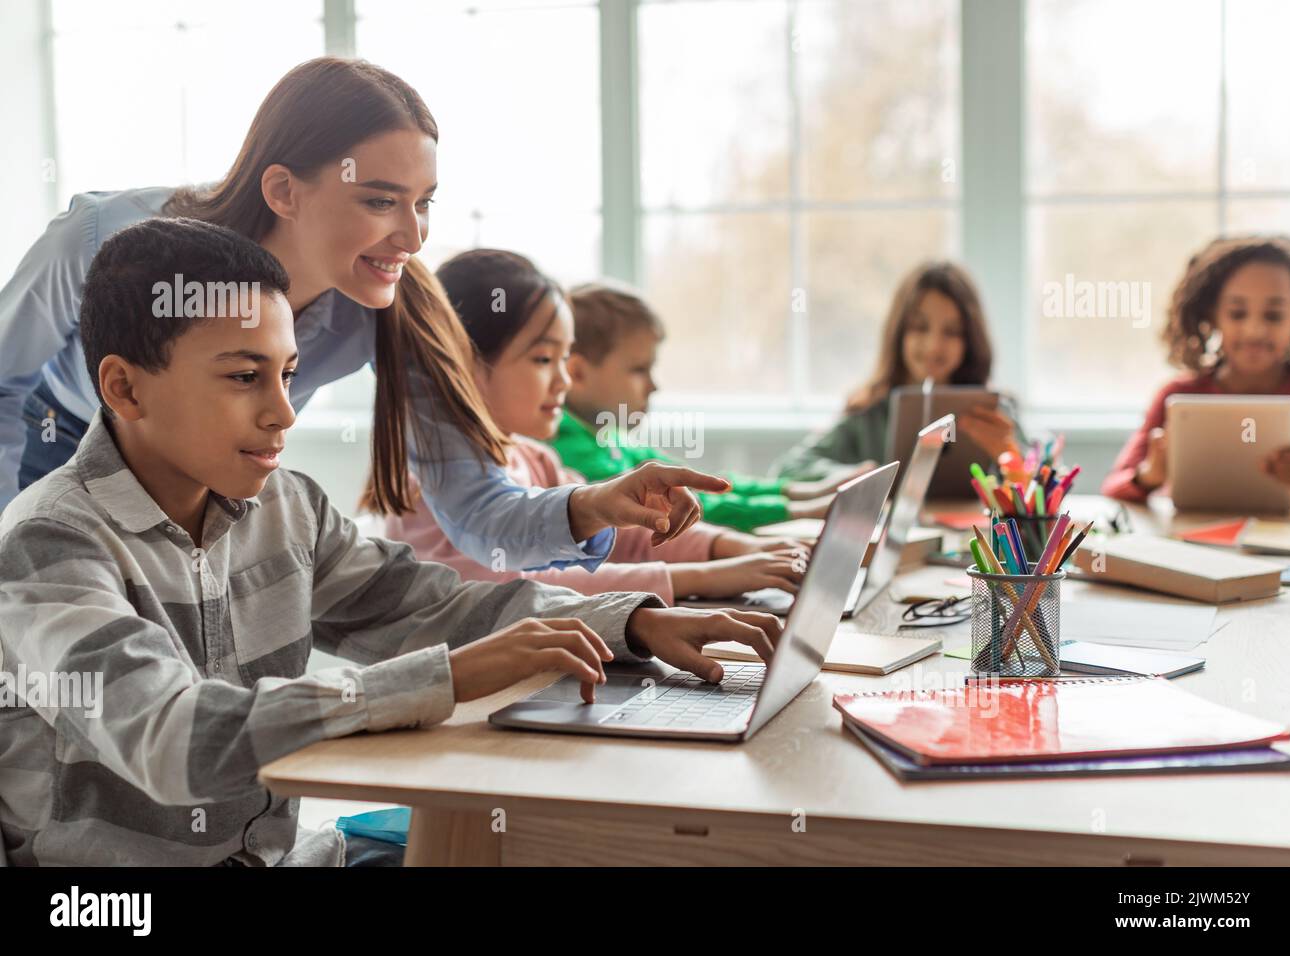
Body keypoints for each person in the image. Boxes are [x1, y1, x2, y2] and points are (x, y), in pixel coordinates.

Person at [0, 218, 782, 866]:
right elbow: (173, 738)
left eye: (288, 373)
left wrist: (628, 621)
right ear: (124, 387)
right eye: (245, 377)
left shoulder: (286, 506)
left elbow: (430, 603)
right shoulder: (47, 544)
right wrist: (445, 676)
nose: (284, 412)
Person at [0, 57, 725, 570]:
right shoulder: (101, 238)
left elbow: (476, 509)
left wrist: (596, 504)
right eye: (380, 201)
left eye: (423, 202)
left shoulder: (389, 306)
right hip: (55, 446)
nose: (413, 238)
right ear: (283, 190)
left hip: (209, 475)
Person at [375, 249, 808, 604]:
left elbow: (623, 535)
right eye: (544, 359)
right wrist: (708, 577)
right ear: (465, 361)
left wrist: (738, 549)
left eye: (565, 359)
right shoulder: (433, 486)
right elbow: (523, 591)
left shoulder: (537, 460)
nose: (564, 380)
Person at [551, 280, 856, 533]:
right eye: (639, 370)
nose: (653, 386)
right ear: (578, 373)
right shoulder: (564, 448)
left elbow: (699, 484)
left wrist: (802, 492)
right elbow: (690, 509)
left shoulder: (608, 436)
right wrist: (803, 509)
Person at [773, 260, 1022, 481]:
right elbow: (788, 469)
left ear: (970, 340)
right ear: (899, 332)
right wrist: (856, 477)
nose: (934, 346)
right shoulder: (869, 411)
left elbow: (1050, 480)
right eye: (919, 327)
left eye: (952, 332)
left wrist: (1011, 457)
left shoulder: (994, 412)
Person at [1101, 235, 1290, 501]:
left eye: (1273, 315)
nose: (1254, 330)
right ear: (1212, 314)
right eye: (1237, 313)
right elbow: (1114, 487)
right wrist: (1151, 474)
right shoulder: (1178, 396)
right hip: (1189, 539)